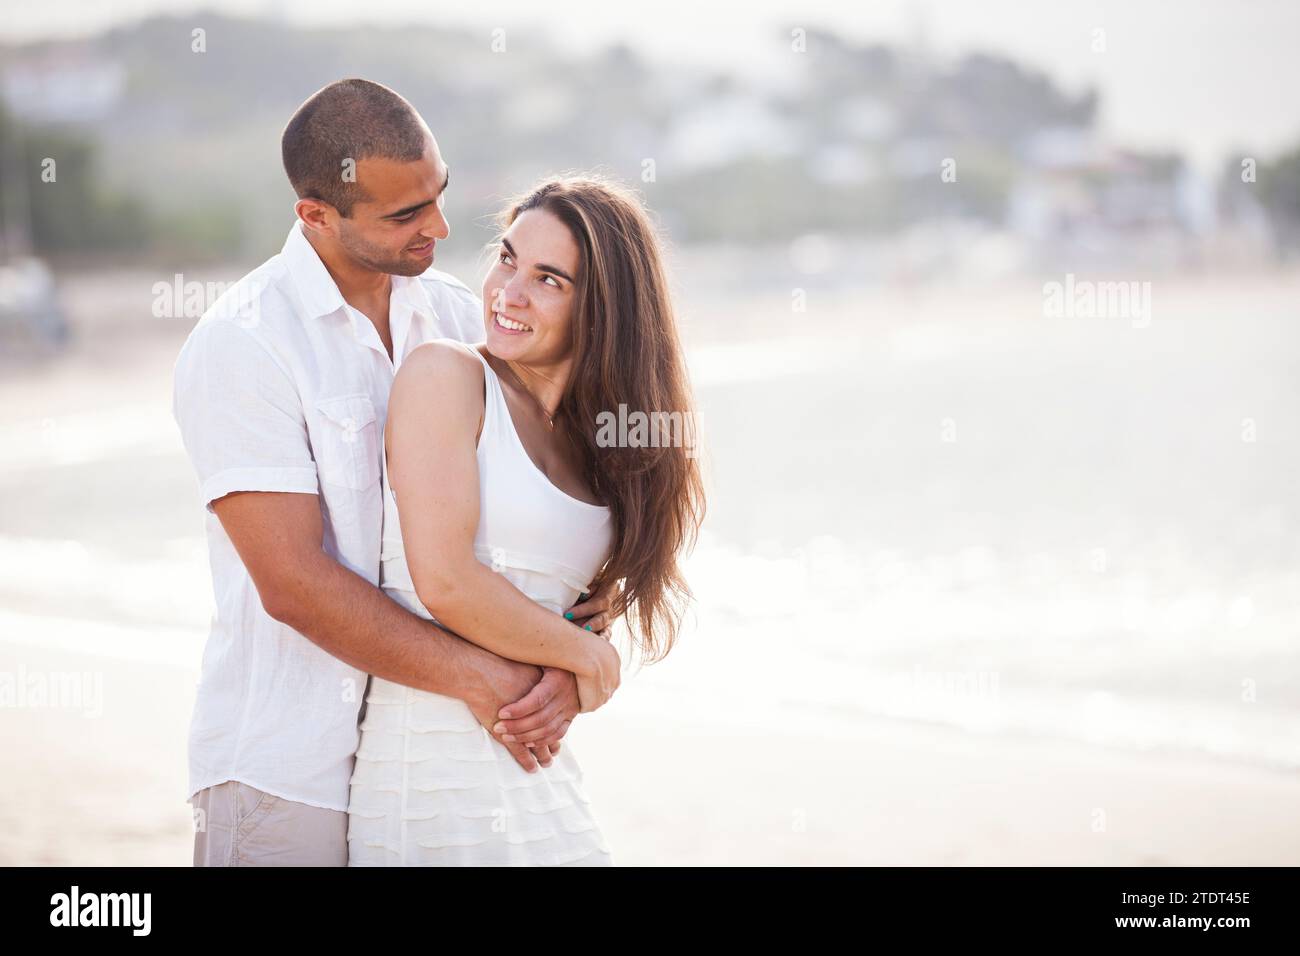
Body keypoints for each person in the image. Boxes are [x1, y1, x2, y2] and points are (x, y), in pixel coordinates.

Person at [172, 78, 618, 867]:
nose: (441, 226)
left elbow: (541, 501)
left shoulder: (453, 313)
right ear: (316, 217)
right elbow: (293, 582)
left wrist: (575, 639)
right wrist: (487, 678)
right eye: (405, 214)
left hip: (434, 751)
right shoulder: (243, 343)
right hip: (287, 764)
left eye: (438, 195)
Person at [347, 175, 705, 865]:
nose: (507, 292)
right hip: (431, 776)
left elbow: (566, 606)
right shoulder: (444, 376)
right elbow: (446, 581)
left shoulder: (597, 442)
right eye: (507, 257)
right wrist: (590, 661)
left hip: (540, 773)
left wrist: (579, 661)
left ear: (603, 312)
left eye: (548, 279)